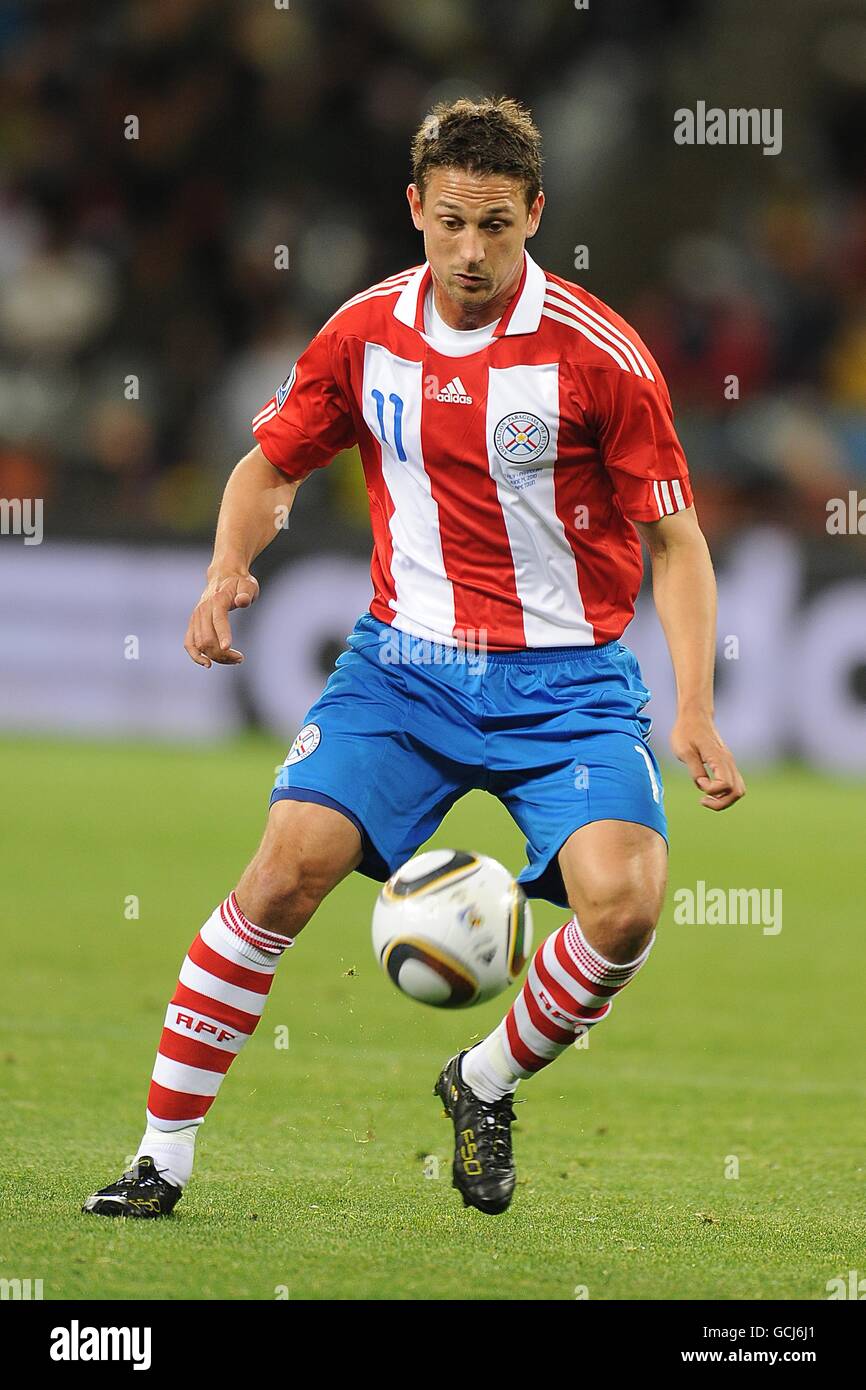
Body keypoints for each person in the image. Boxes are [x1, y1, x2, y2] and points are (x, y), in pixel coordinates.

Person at [84, 97, 745, 1220]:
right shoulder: (363, 332)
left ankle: (480, 1079)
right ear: (414, 210)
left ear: (536, 214)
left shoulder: (600, 357)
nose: (472, 251)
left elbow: (674, 542)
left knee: (624, 905)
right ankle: (161, 1157)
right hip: (404, 669)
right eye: (449, 223)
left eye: (496, 224)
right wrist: (221, 569)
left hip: (568, 684)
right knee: (283, 868)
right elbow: (265, 470)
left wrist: (693, 706)